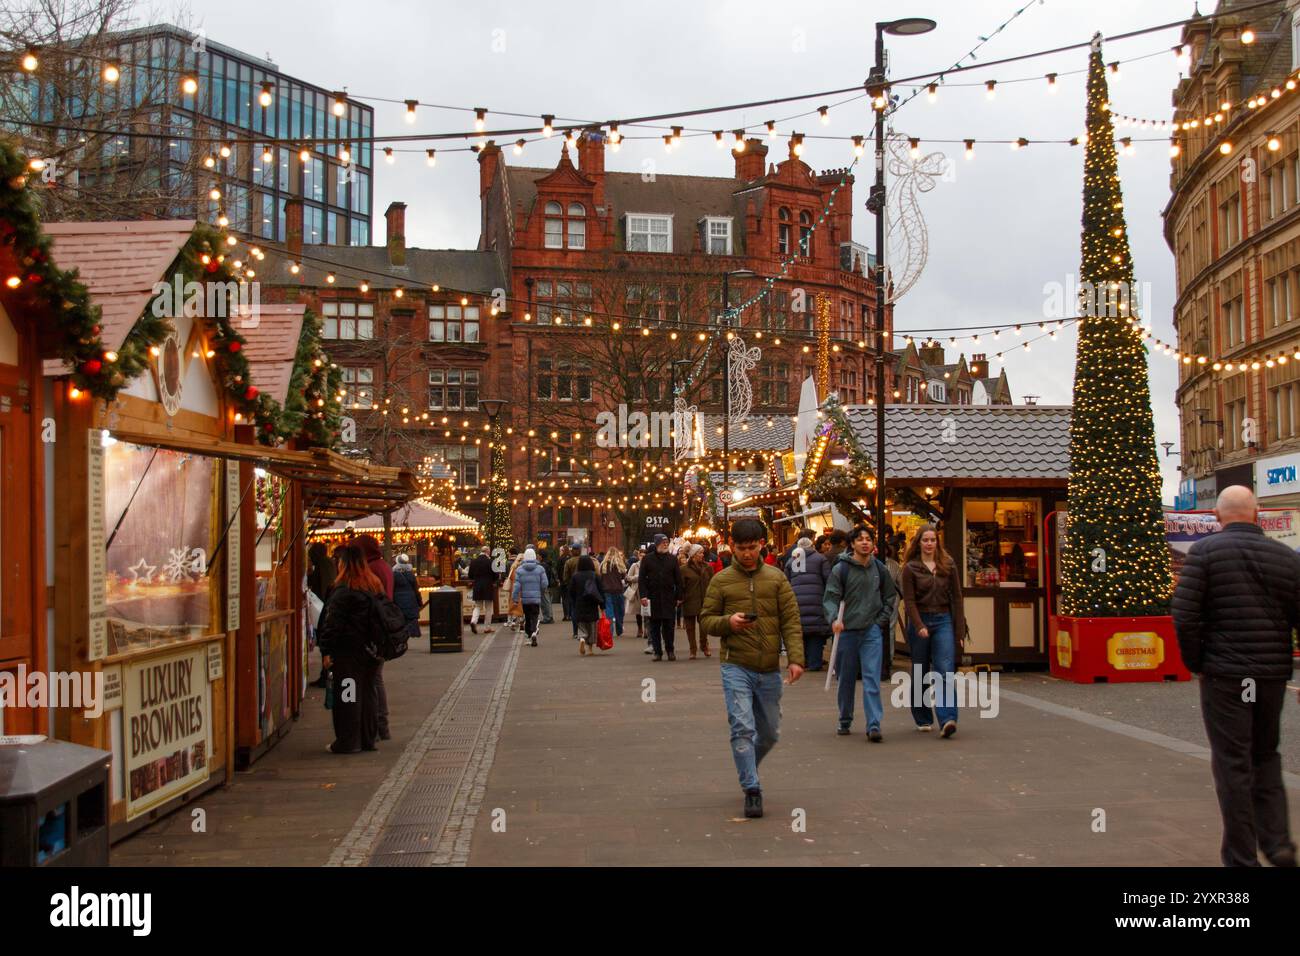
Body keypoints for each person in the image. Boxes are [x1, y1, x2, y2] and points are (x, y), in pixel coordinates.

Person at [1172, 485, 1299, 867]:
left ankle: (1241, 857)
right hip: (1271, 674)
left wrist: (1198, 663)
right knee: (1265, 754)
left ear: (1216, 516)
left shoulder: (1205, 553)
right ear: (1257, 514)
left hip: (1227, 677)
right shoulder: (1285, 557)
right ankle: (1278, 843)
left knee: (1232, 762)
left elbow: (1184, 615)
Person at [700, 517, 804, 819]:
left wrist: (795, 659)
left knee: (770, 732)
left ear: (762, 545)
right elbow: (706, 619)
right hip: (736, 664)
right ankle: (752, 788)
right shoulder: (720, 580)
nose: (747, 553)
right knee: (742, 726)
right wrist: (727, 622)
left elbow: (791, 620)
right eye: (741, 548)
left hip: (769, 666)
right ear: (732, 546)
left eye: (752, 547)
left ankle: (747, 764)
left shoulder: (776, 578)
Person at [823, 525, 897, 742]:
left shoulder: (880, 569)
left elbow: (889, 596)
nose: (865, 542)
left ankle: (874, 724)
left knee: (872, 678)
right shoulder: (841, 569)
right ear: (852, 544)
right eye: (860, 539)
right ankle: (845, 718)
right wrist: (834, 618)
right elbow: (830, 597)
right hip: (846, 632)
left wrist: (880, 621)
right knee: (846, 678)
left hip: (871, 631)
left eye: (868, 539)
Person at [316, 546, 384, 754]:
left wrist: (326, 651)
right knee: (368, 693)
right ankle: (367, 739)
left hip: (348, 652)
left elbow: (332, 624)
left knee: (348, 695)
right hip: (372, 651)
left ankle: (348, 740)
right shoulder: (373, 585)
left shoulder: (343, 590)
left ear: (343, 564)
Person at [901, 525, 965, 738]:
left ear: (937, 542)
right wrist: (919, 625)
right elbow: (908, 601)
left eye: (932, 540)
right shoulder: (911, 568)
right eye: (925, 540)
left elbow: (957, 597)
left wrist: (959, 631)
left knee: (944, 668)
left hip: (943, 619)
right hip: (921, 618)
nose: (929, 543)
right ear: (918, 543)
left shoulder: (948, 565)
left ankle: (948, 718)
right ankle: (922, 716)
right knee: (920, 669)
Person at [355, 534, 394, 741]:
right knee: (375, 678)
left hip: (374, 631)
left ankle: (377, 724)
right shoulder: (384, 566)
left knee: (372, 680)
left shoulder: (371, 569)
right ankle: (380, 724)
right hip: (381, 630)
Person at [786, 536, 831, 671]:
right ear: (812, 546)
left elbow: (786, 582)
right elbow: (828, 579)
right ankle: (814, 663)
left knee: (800, 632)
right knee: (815, 633)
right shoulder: (820, 559)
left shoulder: (791, 561)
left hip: (796, 600)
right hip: (817, 600)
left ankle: (802, 661)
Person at [639, 534, 683, 661]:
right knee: (654, 627)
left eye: (666, 542)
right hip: (653, 598)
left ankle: (670, 650)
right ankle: (657, 652)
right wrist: (643, 596)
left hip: (669, 597)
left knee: (669, 626)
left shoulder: (672, 559)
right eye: (663, 542)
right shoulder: (647, 559)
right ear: (657, 543)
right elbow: (642, 579)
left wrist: (679, 596)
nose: (665, 544)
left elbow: (678, 579)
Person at [307, 542, 335, 688]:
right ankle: (325, 675)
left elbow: (324, 587)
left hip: (325, 608)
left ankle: (326, 676)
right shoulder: (326, 563)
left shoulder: (324, 564)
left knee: (326, 645)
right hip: (325, 607)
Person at [681, 544, 715, 659]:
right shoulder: (684, 569)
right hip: (689, 601)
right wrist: (681, 599)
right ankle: (693, 649)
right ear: (693, 555)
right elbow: (681, 587)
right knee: (690, 628)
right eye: (700, 553)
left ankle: (704, 645)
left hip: (704, 600)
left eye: (702, 552)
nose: (702, 554)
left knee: (704, 626)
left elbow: (712, 584)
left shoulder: (708, 567)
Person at [511, 548, 549, 647]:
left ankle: (528, 636)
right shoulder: (540, 569)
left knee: (527, 617)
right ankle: (534, 632)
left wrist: (515, 599)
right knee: (535, 616)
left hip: (525, 599)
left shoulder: (519, 570)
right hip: (536, 598)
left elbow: (516, 586)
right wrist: (540, 589)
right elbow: (545, 583)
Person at [568, 554, 605, 655]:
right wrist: (602, 606)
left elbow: (571, 591)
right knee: (592, 626)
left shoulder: (575, 576)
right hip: (592, 604)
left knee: (581, 624)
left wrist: (574, 602)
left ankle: (582, 639)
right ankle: (590, 649)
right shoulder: (595, 576)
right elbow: (601, 591)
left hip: (580, 604)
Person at [391, 553, 424, 641]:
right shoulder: (411, 575)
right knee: (410, 619)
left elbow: (391, 588)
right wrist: (420, 602)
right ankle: (408, 634)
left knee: (401, 619)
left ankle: (402, 637)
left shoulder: (394, 574)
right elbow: (416, 590)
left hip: (398, 600)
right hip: (411, 600)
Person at [467, 546, 497, 635]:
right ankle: (487, 627)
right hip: (488, 586)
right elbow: (495, 575)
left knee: (477, 606)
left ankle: (473, 621)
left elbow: (470, 575)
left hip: (477, 586)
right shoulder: (490, 561)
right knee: (489, 608)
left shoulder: (474, 561)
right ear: (487, 552)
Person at [599, 547, 628, 638]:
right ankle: (619, 630)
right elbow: (624, 578)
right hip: (618, 590)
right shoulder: (620, 565)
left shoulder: (603, 565)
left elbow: (600, 578)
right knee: (620, 611)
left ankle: (610, 632)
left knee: (609, 612)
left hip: (607, 591)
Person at [625, 546, 648, 651]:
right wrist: (637, 577)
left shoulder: (649, 565)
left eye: (644, 555)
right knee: (638, 611)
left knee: (647, 611)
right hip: (637, 591)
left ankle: (647, 629)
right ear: (638, 556)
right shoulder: (635, 565)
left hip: (647, 590)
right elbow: (628, 577)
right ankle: (640, 629)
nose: (642, 557)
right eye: (641, 555)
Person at [563, 547, 582, 638]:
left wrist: (567, 583)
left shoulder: (569, 562)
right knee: (583, 608)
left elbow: (565, 576)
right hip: (583, 587)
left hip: (572, 587)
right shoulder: (584, 561)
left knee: (574, 608)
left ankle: (575, 632)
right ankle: (583, 630)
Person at [536, 543, 556, 625]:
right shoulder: (547, 563)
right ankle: (549, 616)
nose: (537, 557)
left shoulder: (542, 565)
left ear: (541, 556)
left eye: (538, 556)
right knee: (547, 601)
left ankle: (547, 618)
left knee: (545, 602)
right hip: (548, 584)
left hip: (544, 585)